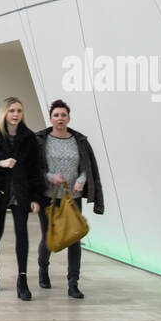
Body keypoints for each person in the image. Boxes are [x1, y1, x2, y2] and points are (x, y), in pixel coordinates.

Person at [35, 99, 104, 299]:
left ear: (68, 118)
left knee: (74, 238)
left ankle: (73, 283)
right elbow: (36, 168)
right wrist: (51, 177)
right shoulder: (42, 140)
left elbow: (86, 166)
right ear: (51, 118)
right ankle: (43, 270)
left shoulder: (78, 140)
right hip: (48, 197)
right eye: (56, 115)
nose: (60, 119)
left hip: (73, 197)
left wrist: (81, 180)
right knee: (49, 237)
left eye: (63, 115)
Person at [0, 97, 42, 299]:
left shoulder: (29, 137)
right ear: (4, 112)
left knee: (22, 234)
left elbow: (35, 170)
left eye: (19, 111)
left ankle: (22, 280)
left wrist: (35, 198)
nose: (15, 114)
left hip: (20, 193)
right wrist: (0, 163)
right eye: (12, 110)